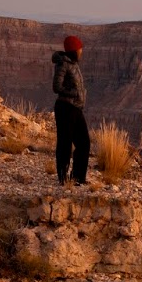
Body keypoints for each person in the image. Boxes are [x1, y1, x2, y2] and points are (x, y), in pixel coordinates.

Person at [51, 35, 90, 186]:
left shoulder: (73, 64)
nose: (81, 52)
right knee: (65, 143)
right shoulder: (63, 65)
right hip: (66, 108)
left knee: (84, 142)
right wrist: (73, 92)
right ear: (74, 50)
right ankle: (63, 178)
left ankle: (78, 177)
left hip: (76, 108)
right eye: (80, 49)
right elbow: (56, 87)